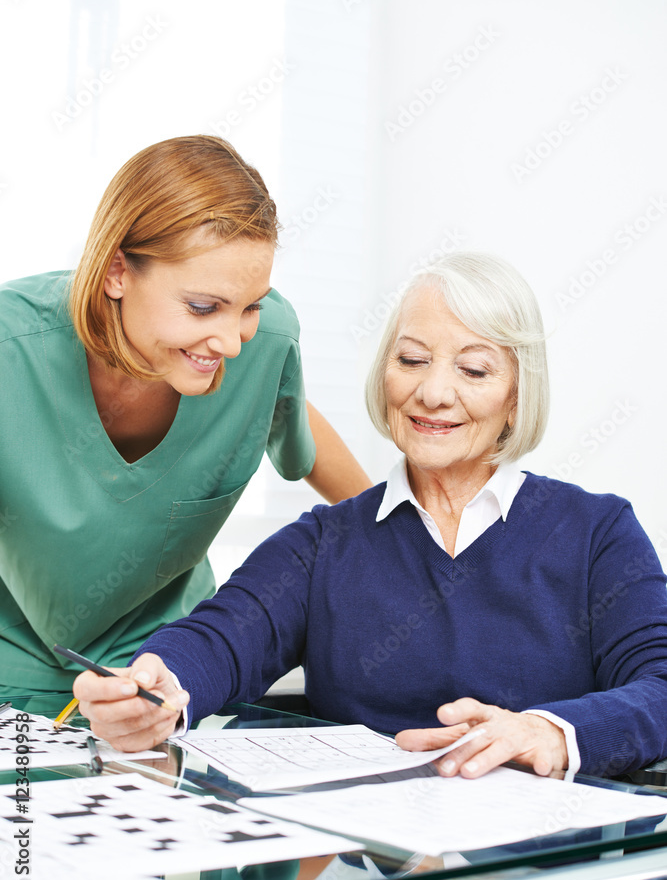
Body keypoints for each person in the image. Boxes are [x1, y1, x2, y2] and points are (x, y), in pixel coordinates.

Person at [75, 251, 667, 780]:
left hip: (542, 875)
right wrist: (159, 683)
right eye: (411, 360)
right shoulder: (321, 543)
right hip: (365, 872)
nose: (433, 393)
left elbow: (661, 688)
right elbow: (224, 638)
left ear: (517, 396)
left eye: (474, 370)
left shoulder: (598, 534)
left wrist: (550, 732)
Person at [0, 134, 370, 701]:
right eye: (202, 307)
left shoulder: (267, 343)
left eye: (251, 306)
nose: (231, 342)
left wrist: (405, 552)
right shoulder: (12, 348)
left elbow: (289, 418)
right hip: (13, 672)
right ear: (116, 272)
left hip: (167, 673)